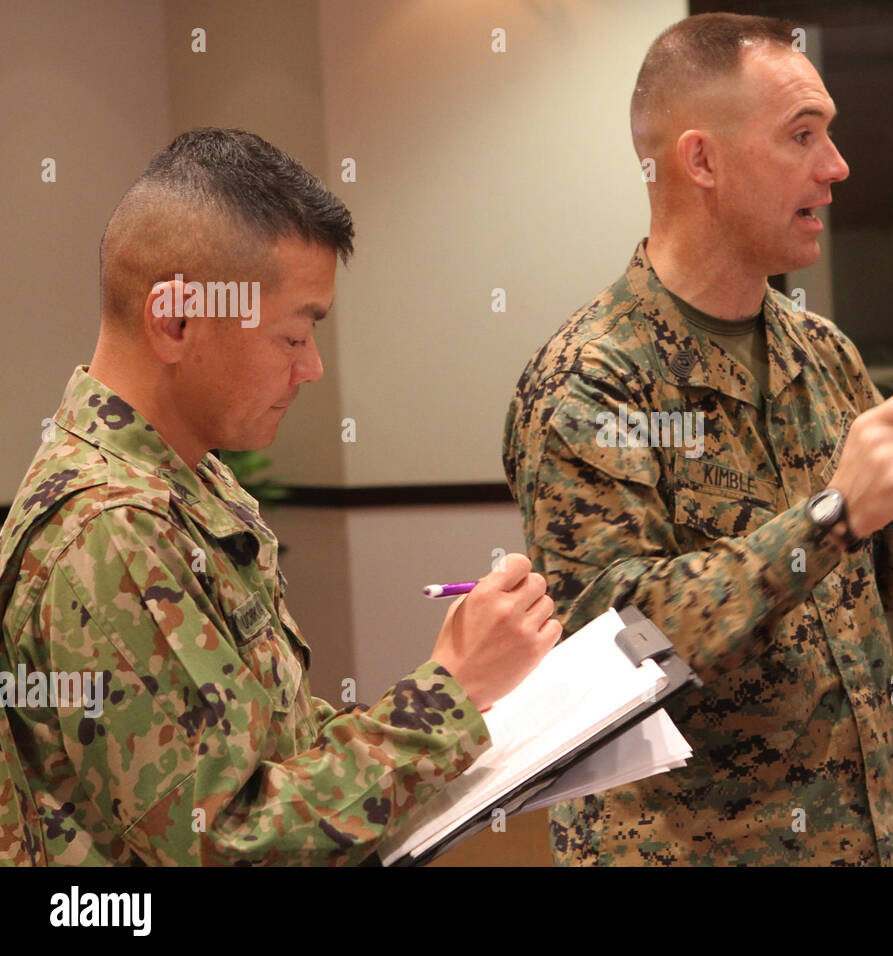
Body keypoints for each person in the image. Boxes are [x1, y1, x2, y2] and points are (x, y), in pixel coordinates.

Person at [503, 13, 893, 866]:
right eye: (803, 135)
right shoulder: (593, 377)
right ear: (702, 161)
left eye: (829, 135)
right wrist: (828, 518)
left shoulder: (822, 350)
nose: (836, 167)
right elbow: (612, 649)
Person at [0, 128, 560, 866]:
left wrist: (456, 693)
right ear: (176, 320)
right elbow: (228, 845)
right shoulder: (112, 531)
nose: (313, 368)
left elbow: (264, 749)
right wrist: (450, 692)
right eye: (292, 337)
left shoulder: (185, 477)